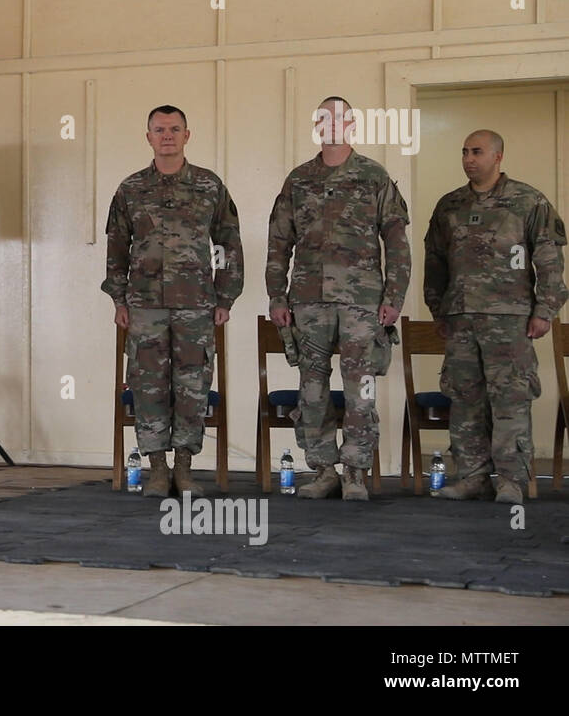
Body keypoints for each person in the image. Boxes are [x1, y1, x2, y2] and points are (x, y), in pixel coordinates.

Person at [266, 96, 410, 500]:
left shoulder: (374, 176)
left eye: (339, 118)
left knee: (360, 389)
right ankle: (324, 469)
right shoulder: (298, 180)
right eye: (324, 118)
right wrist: (278, 297)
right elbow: (279, 243)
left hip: (362, 302)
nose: (331, 125)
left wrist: (394, 297)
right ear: (317, 126)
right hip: (308, 302)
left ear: (351, 125)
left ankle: (356, 473)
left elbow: (397, 242)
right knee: (311, 390)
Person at [101, 105, 243, 498]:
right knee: (148, 387)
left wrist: (225, 294)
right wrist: (118, 297)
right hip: (145, 305)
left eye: (174, 129)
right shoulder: (130, 189)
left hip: (196, 304)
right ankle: (157, 469)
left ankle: (184, 467)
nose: (167, 135)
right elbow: (116, 247)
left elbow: (229, 242)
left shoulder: (209, 186)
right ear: (148, 137)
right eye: (159, 129)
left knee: (192, 386)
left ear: (187, 135)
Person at [424, 129, 567, 504]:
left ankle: (510, 481)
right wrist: (438, 307)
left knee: (510, 398)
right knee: (464, 397)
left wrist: (545, 310)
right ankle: (472, 477)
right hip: (461, 318)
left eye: (477, 151)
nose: (469, 158)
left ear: (498, 157)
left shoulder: (527, 200)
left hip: (511, 318)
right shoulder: (449, 205)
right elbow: (435, 262)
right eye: (465, 152)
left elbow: (549, 261)